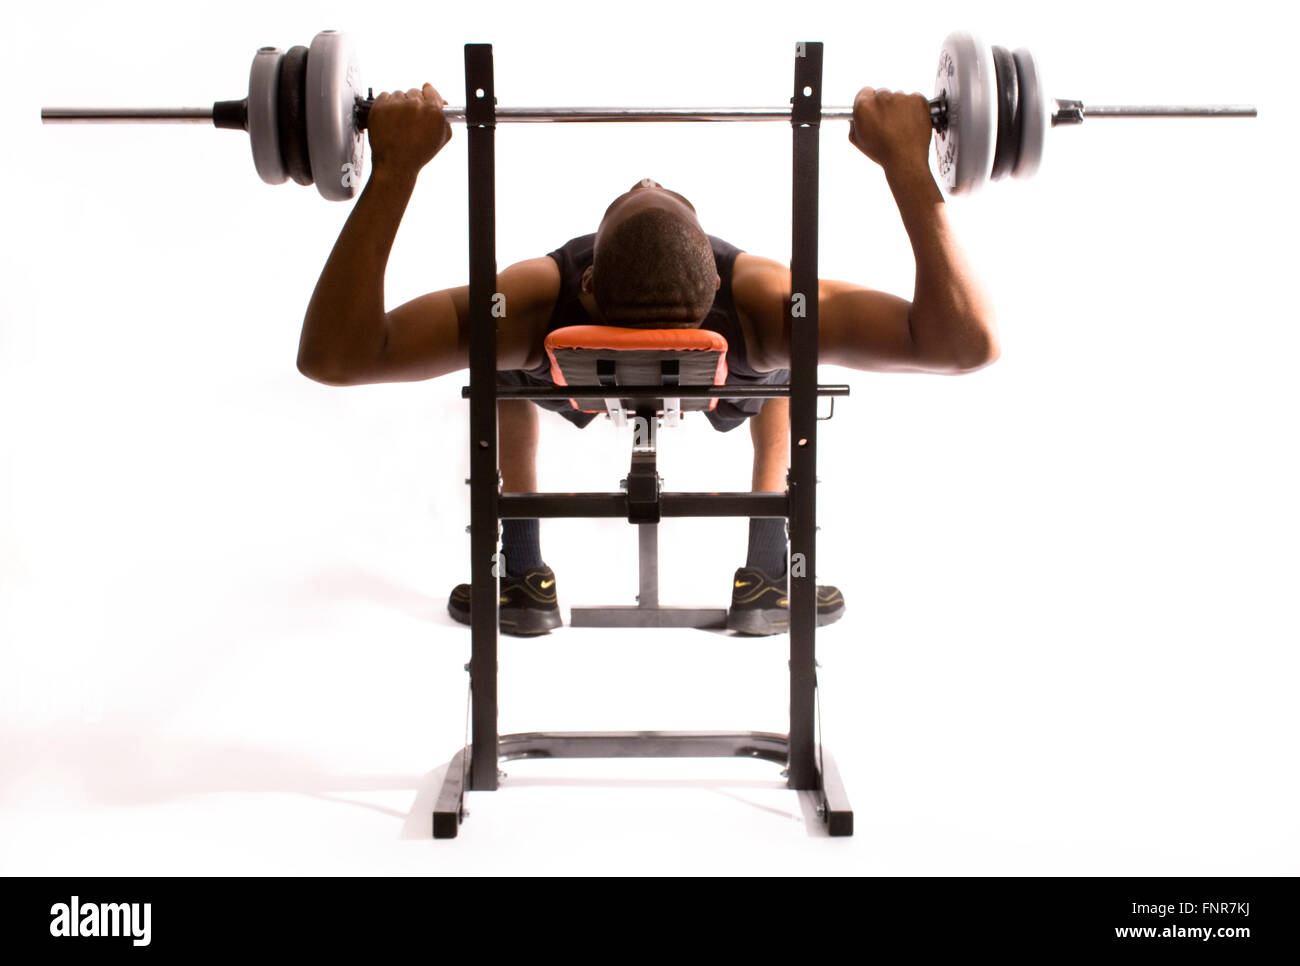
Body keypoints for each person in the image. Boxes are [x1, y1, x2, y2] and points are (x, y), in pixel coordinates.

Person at [296, 83, 999, 636]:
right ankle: (767, 576)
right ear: (717, 278)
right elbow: (963, 343)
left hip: (562, 359)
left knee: (500, 366)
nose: (647, 179)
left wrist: (395, 170)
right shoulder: (760, 299)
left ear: (589, 282)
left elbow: (336, 356)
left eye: (641, 195)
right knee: (791, 355)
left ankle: (521, 577)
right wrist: (907, 162)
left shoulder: (536, 299)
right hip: (734, 363)